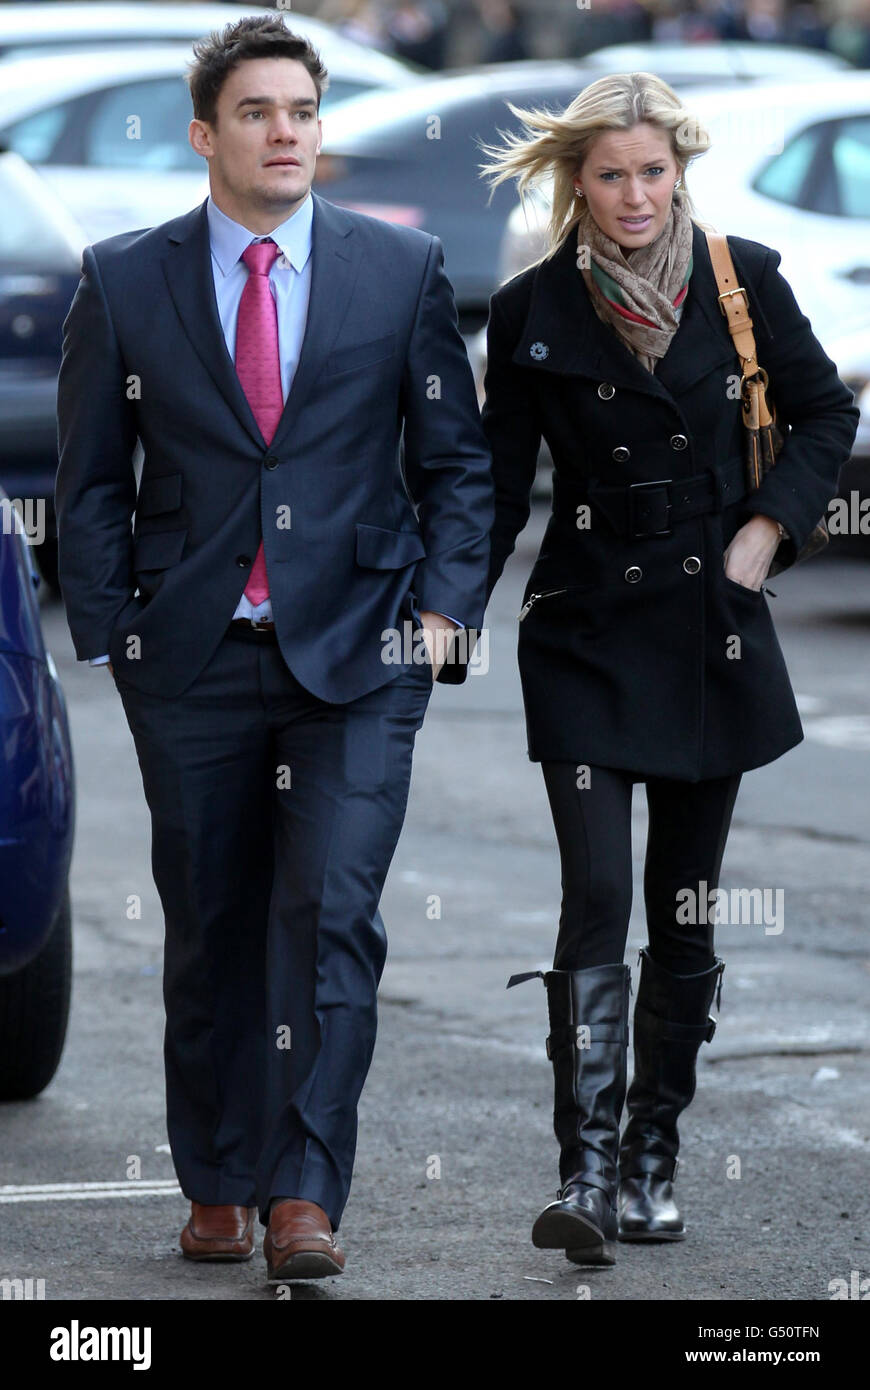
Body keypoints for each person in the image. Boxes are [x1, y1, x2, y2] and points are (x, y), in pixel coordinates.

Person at [55, 15, 492, 1284]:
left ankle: (303, 1191)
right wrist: (117, 635)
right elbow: (89, 480)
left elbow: (455, 466)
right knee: (214, 922)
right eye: (257, 111)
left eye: (302, 109)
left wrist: (444, 615)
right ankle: (217, 1182)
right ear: (206, 134)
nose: (286, 130)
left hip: (360, 657)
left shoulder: (398, 272)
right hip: (189, 658)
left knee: (330, 916)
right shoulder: (125, 276)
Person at [478, 72, 859, 1267]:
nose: (634, 195)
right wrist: (436, 608)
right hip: (586, 633)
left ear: (678, 171)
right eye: (609, 174)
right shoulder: (533, 309)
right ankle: (585, 1173)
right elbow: (493, 491)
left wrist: (771, 529)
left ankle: (652, 1158)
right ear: (573, 182)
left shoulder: (744, 279)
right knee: (594, 901)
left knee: (683, 914)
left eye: (652, 172)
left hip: (713, 630)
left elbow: (823, 415)